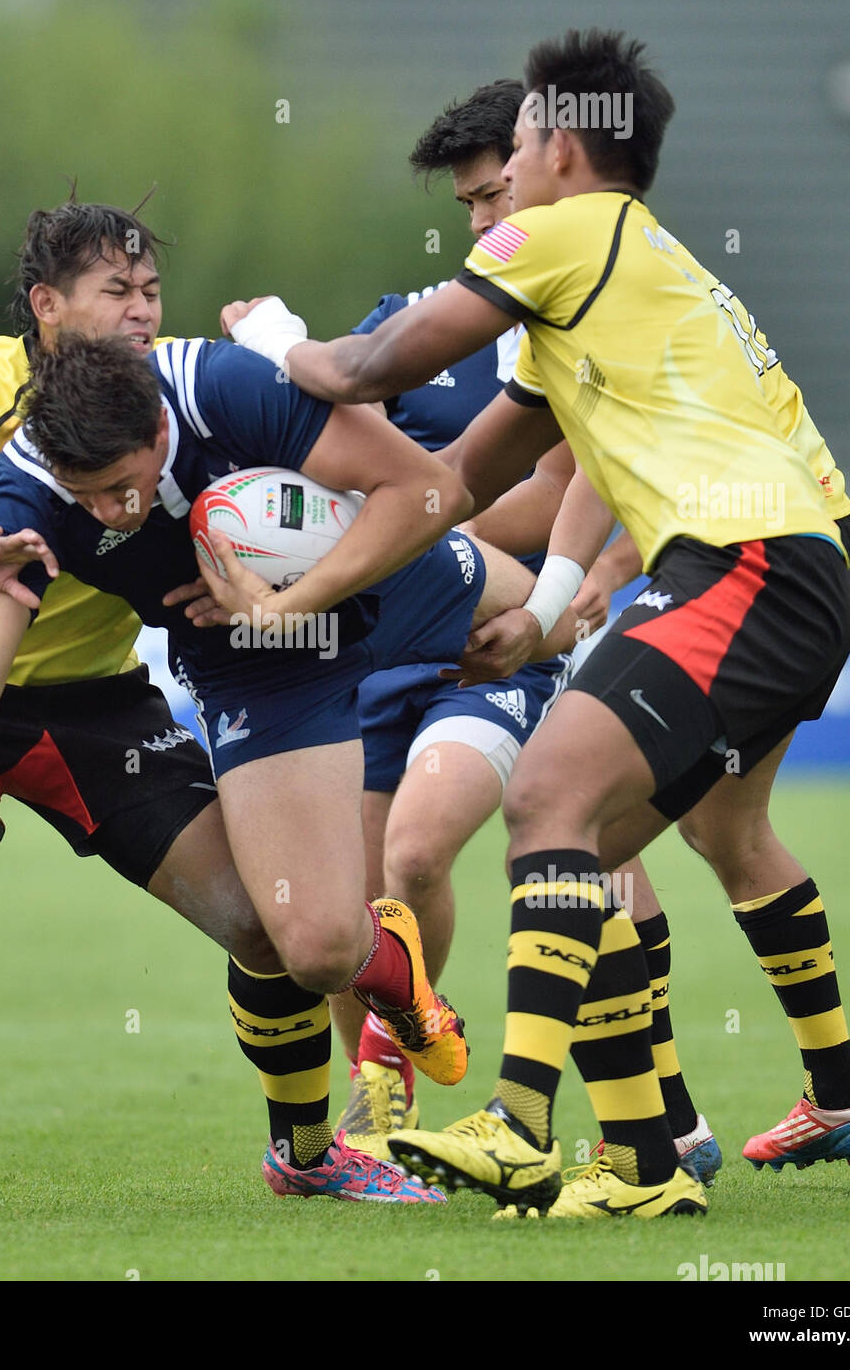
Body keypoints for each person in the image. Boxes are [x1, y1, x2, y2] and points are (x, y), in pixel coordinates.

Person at [224, 28, 850, 1216]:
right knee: (594, 844)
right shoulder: (606, 273)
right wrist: (319, 595)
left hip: (749, 559)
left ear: (562, 150)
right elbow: (459, 484)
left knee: (545, 799)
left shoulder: (572, 231)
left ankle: (520, 1122)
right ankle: (644, 1161)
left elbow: (368, 367)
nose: (494, 199)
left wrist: (272, 339)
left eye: (513, 156)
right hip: (795, 555)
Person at [0, 199, 439, 1221]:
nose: (144, 313)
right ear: (46, 305)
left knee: (259, 923)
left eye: (152, 291)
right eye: (119, 292)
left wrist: (284, 583)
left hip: (103, 705)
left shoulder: (176, 397)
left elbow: (400, 487)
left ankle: (306, 1152)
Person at [0, 331, 581, 1198]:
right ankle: (394, 966)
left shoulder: (218, 384)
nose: (115, 513)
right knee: (315, 947)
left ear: (158, 428)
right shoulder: (30, 489)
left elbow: (432, 488)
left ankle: (658, 1119)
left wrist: (290, 599)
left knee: (559, 629)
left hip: (372, 566)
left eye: (127, 484)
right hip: (253, 663)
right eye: (93, 498)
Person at [332, 79, 719, 1188]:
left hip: (533, 629)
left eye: (493, 192)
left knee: (563, 852)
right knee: (422, 903)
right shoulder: (432, 316)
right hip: (422, 639)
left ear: (548, 165)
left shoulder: (588, 296)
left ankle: (579, 1126)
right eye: (464, 207)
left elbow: (572, 480)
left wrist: (538, 575)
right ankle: (657, 1130)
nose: (479, 223)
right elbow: (352, 450)